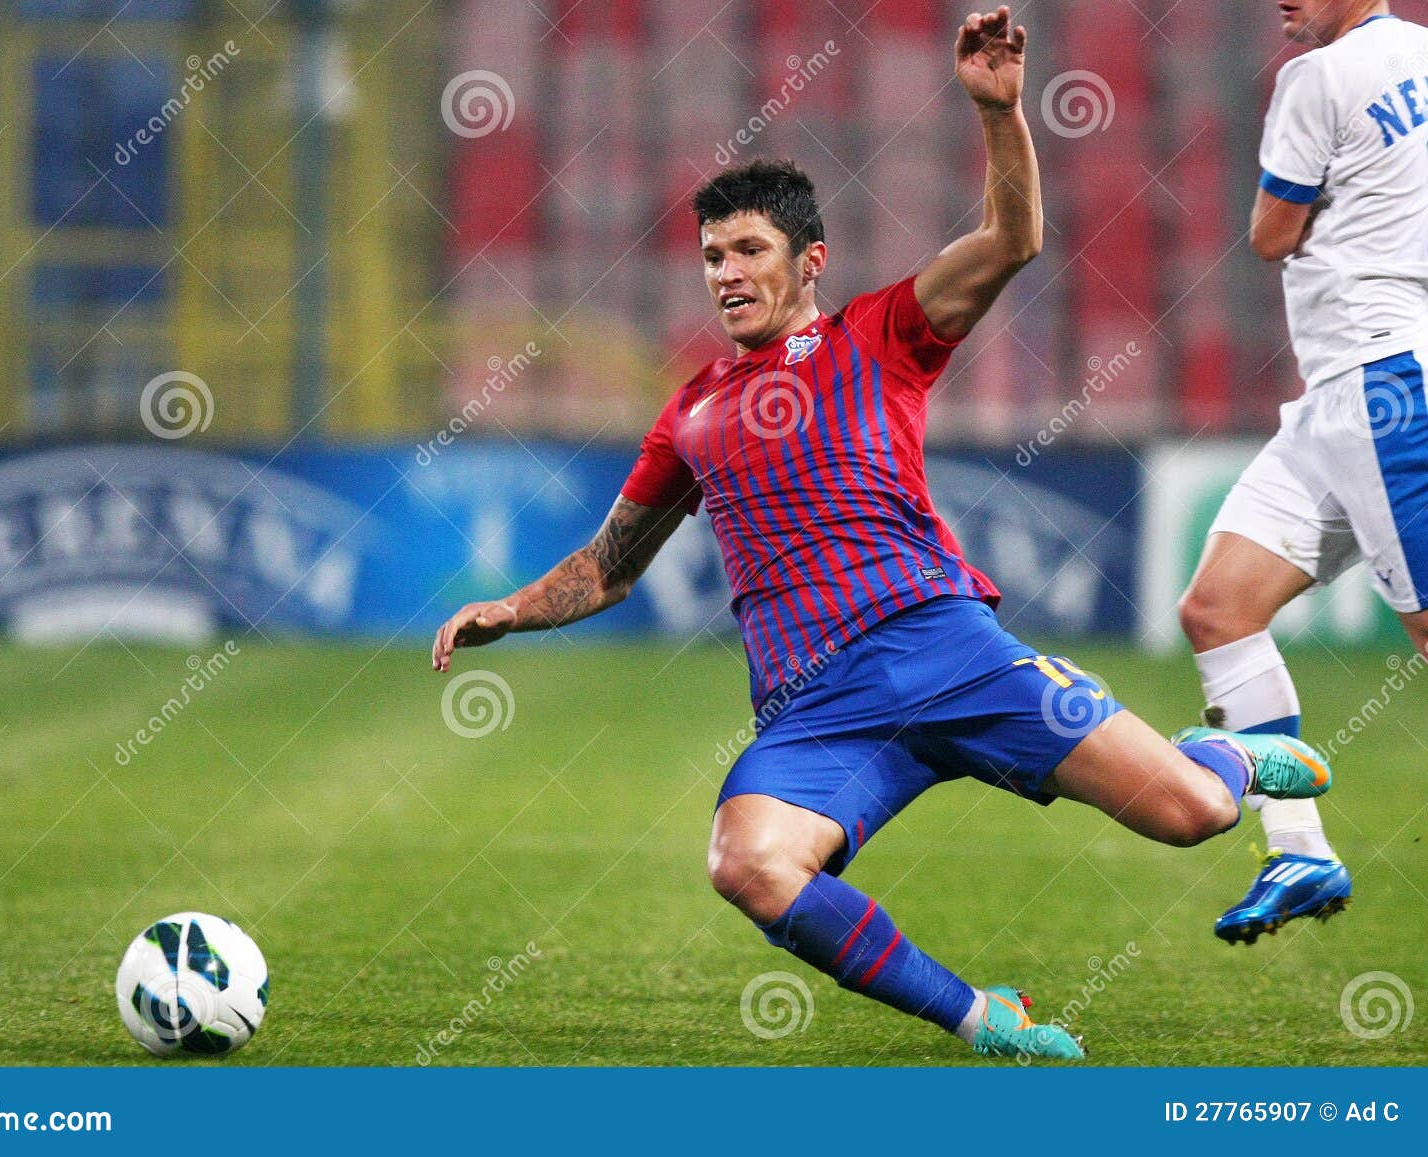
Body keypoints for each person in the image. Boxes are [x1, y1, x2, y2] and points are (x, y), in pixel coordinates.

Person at [434, 7, 1332, 1059]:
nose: (725, 272)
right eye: (712, 253)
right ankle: (978, 1015)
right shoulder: (689, 413)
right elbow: (608, 564)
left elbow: (1012, 241)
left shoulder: (881, 334)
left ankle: (1223, 752)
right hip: (819, 709)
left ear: (808, 258)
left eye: (749, 249)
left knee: (1190, 814)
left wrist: (996, 111)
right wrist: (510, 610)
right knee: (750, 864)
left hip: (944, 647)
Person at [1178, 0, 1428, 943]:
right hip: (1347, 395)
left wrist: (1321, 202)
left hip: (1379, 385)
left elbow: (1271, 233)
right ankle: (1300, 850)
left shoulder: (1314, 77)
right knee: (1218, 609)